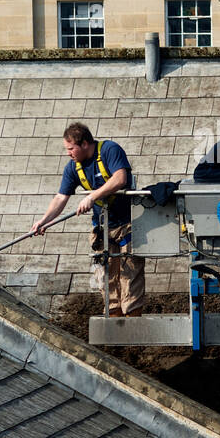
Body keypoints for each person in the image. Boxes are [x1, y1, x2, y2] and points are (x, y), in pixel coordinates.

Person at [31, 123, 144, 316]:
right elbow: (60, 197)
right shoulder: (73, 168)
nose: (68, 153)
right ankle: (114, 320)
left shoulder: (109, 150)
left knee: (130, 275)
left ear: (84, 144)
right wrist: (44, 221)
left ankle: (133, 320)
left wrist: (92, 197)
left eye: (70, 148)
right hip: (102, 227)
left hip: (127, 224)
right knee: (105, 276)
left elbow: (120, 179)